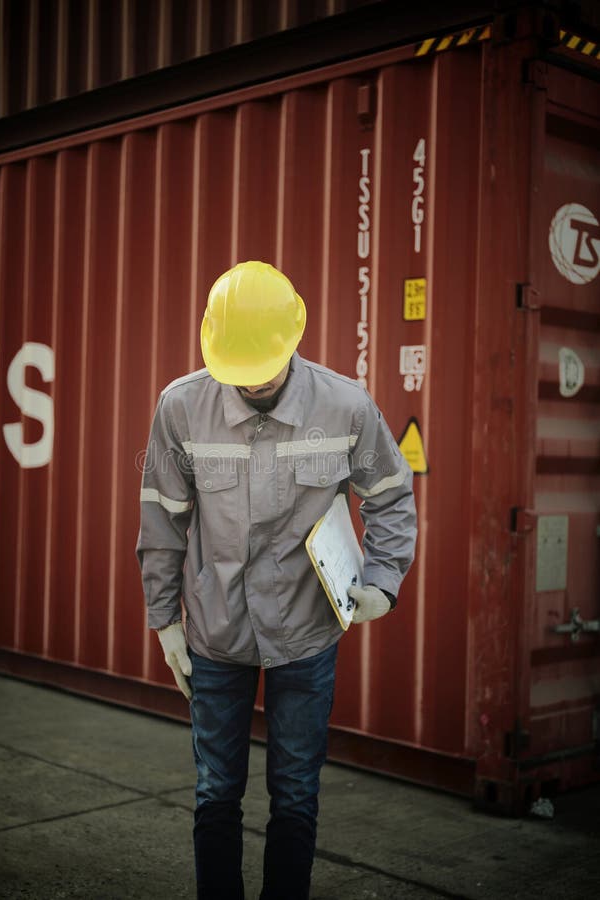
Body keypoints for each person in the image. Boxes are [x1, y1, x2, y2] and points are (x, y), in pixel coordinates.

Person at [136, 260, 417, 900]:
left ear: (293, 340)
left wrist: (383, 577)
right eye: (240, 372)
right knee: (215, 795)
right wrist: (164, 622)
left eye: (264, 367)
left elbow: (391, 496)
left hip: (307, 635)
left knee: (294, 795)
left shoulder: (344, 404)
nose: (253, 383)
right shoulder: (181, 408)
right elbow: (162, 519)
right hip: (215, 634)